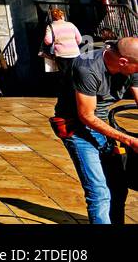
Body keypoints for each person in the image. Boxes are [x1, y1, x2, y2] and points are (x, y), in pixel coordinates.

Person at [53, 36, 138, 224]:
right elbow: (87, 116)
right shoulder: (87, 67)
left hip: (102, 124)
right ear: (123, 62)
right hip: (77, 128)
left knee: (117, 186)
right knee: (99, 191)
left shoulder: (133, 64)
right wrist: (129, 140)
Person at [44, 7, 84, 77]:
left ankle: (69, 87)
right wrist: (72, 45)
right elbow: (79, 39)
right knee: (76, 73)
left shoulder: (50, 26)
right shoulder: (71, 24)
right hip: (74, 53)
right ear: (62, 16)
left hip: (61, 55)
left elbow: (48, 41)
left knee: (65, 75)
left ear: (52, 17)